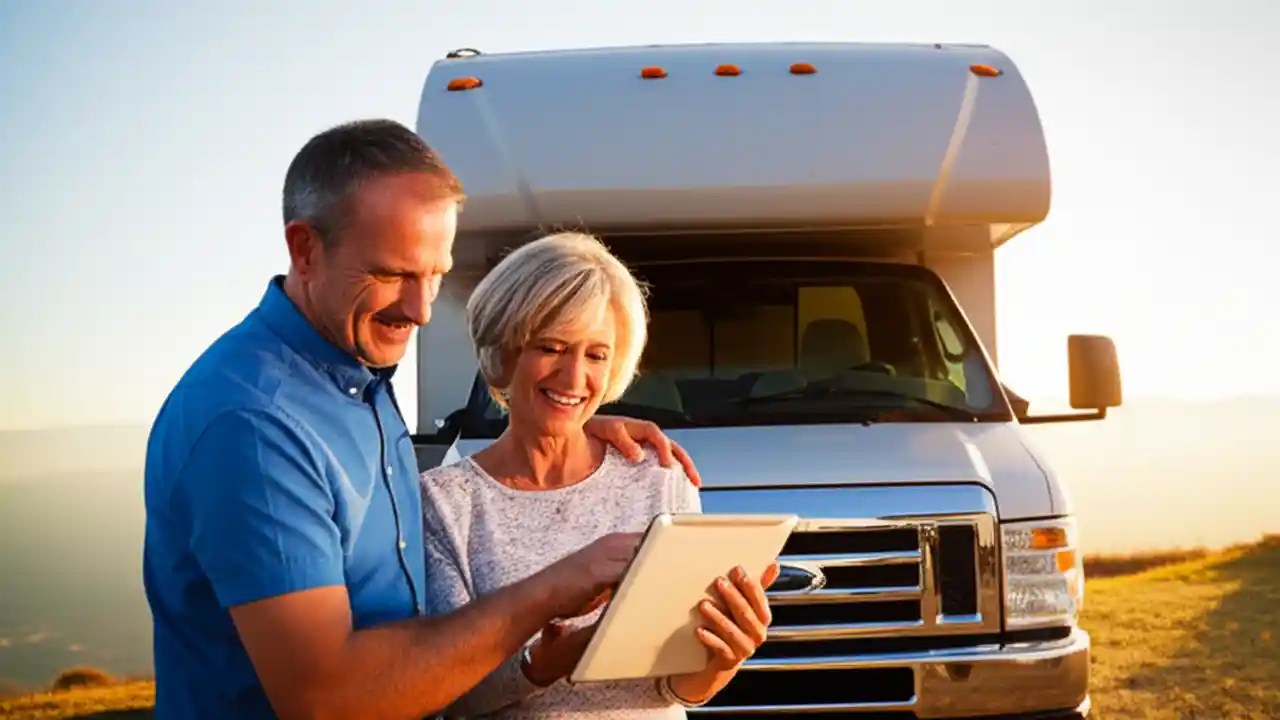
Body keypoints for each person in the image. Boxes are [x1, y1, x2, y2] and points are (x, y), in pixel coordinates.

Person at [141, 119, 703, 720]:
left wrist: (566, 425)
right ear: (305, 250)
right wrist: (556, 587)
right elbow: (324, 699)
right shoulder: (256, 425)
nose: (420, 309)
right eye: (392, 273)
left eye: (434, 275)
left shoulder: (349, 371)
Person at [419, 232, 779, 718]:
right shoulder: (444, 504)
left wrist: (722, 658)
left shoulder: (656, 476)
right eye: (552, 347)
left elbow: (678, 690)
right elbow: (445, 697)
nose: (574, 378)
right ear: (501, 354)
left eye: (595, 355)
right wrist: (539, 665)